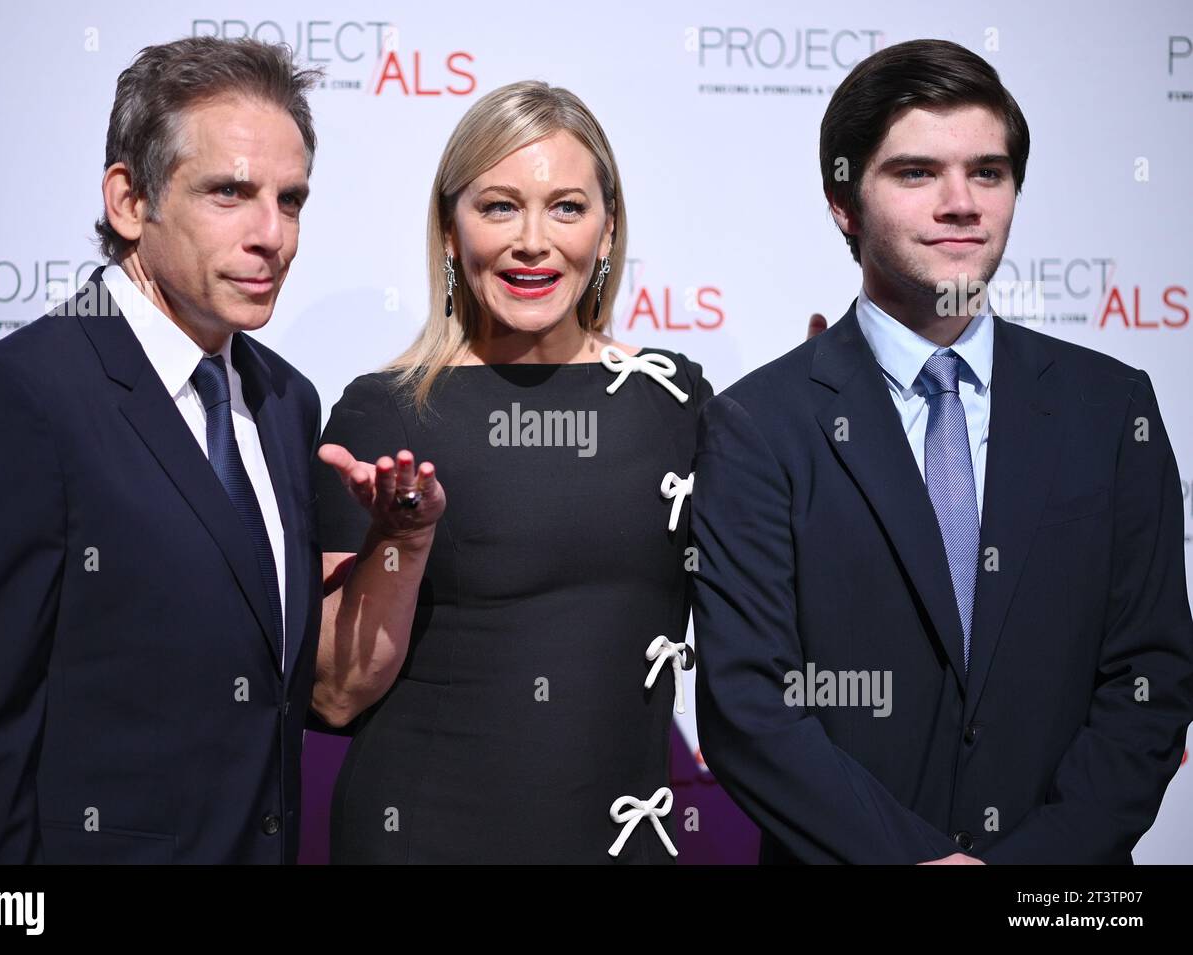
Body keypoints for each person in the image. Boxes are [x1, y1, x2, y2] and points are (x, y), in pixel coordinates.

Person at [691, 38, 1193, 864]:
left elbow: (1150, 681)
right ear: (844, 203)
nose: (961, 203)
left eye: (987, 173)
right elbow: (751, 706)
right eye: (917, 173)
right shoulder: (758, 425)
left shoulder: (1110, 408)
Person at [0, 37, 345, 863]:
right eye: (230, 193)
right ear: (129, 201)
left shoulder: (287, 402)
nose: (271, 234)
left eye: (291, 200)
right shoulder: (16, 403)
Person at [310, 81, 710, 863]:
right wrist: (403, 539)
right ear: (450, 230)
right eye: (498, 207)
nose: (534, 241)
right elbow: (333, 691)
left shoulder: (674, 399)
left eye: (567, 207)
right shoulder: (383, 413)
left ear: (608, 228)